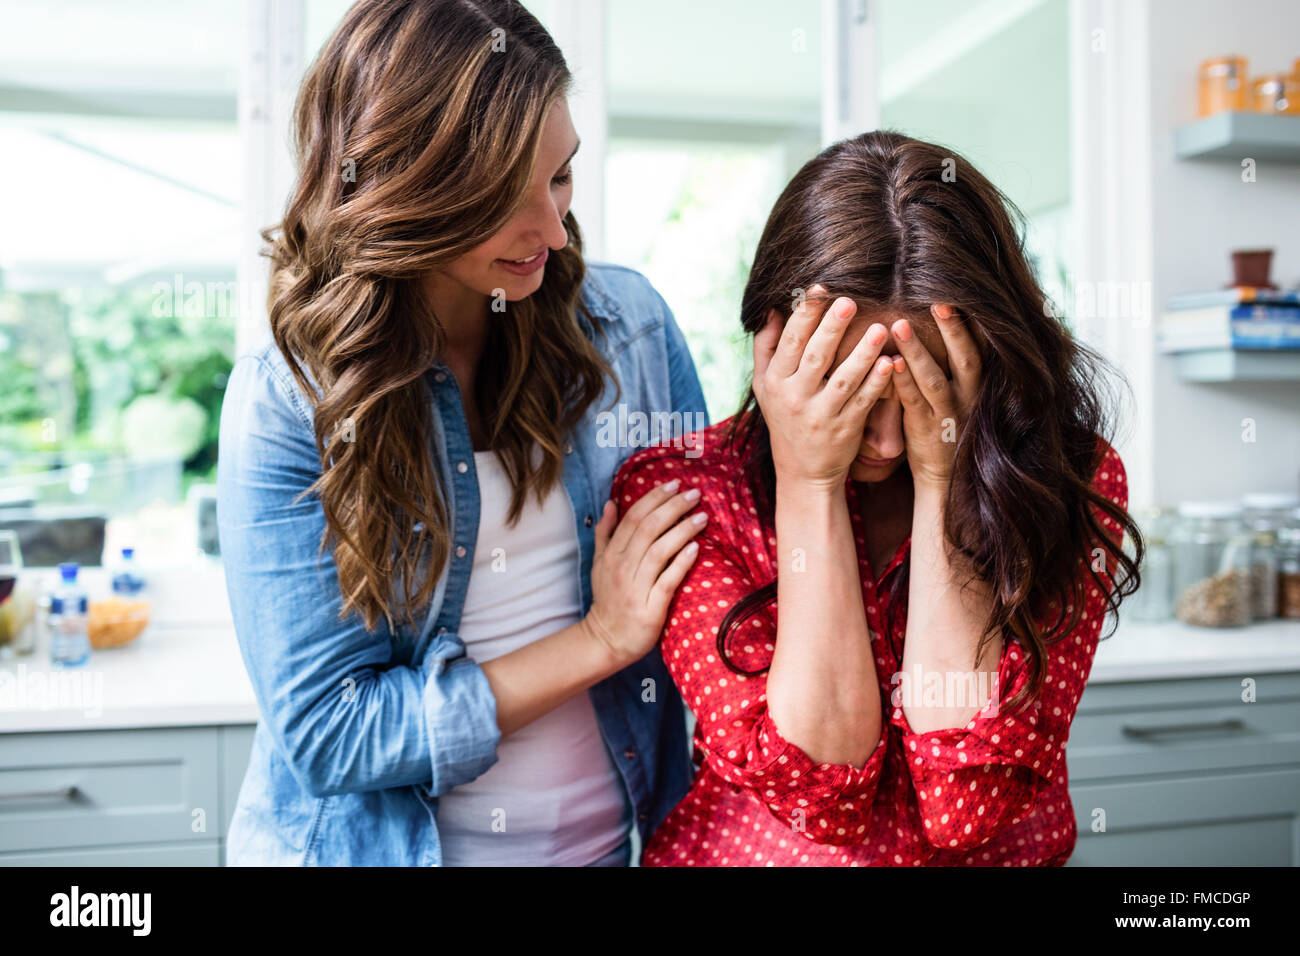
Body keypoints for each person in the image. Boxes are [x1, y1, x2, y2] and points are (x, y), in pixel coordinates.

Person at [217, 0, 708, 866]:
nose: (554, 232)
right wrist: (600, 641)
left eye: (560, 179)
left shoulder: (630, 326)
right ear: (408, 192)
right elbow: (333, 735)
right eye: (504, 199)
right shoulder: (289, 401)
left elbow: (720, 583)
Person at [612, 130, 1144, 866]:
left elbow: (967, 807)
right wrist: (809, 481)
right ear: (775, 344)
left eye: (927, 391)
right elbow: (819, 794)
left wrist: (946, 482)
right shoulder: (686, 493)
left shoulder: (1068, 476)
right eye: (850, 389)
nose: (890, 442)